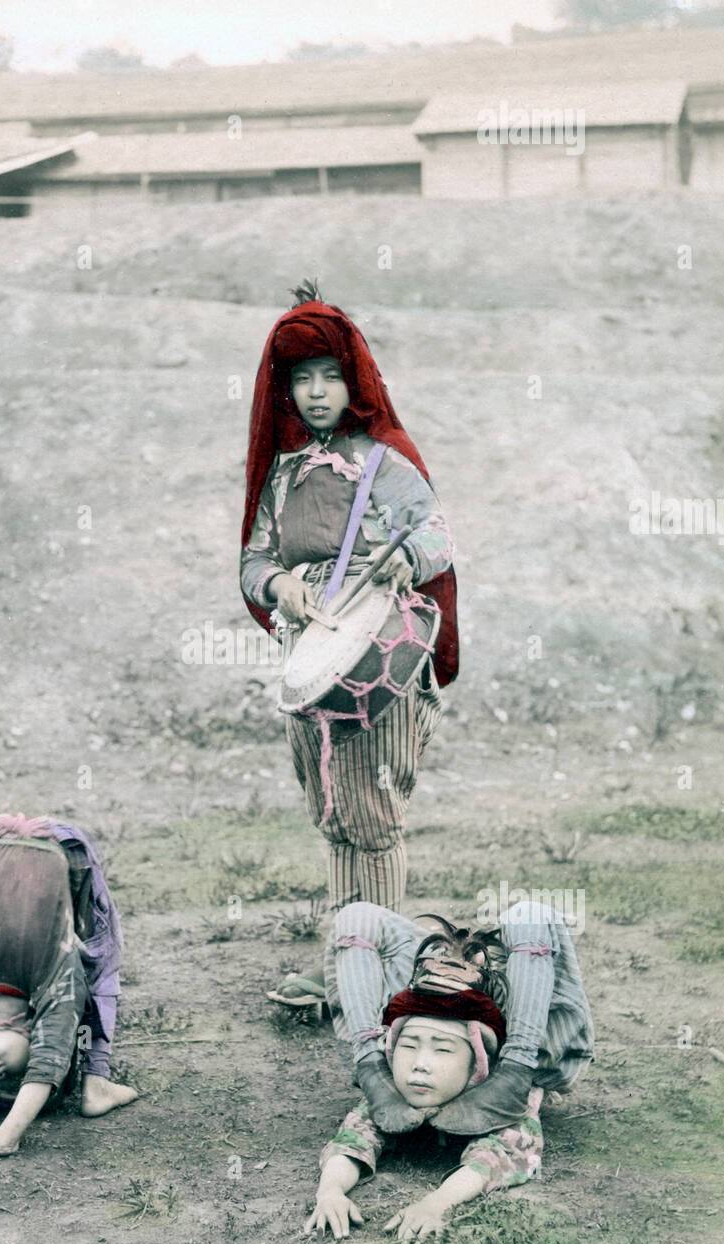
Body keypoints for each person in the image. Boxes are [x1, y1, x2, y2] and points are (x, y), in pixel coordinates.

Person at [240, 283, 459, 996]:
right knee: (333, 811)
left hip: (378, 662)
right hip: (311, 658)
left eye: (328, 375)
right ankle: (348, 959)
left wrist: (408, 557)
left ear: (353, 379)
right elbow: (255, 561)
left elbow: (436, 534)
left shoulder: (384, 461)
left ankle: (383, 970)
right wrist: (280, 588)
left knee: (372, 815)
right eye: (300, 379)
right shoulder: (283, 475)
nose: (315, 392)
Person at [304, 897, 594, 1242]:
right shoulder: (402, 1075)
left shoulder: (502, 1089)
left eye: (440, 1051)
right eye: (409, 1048)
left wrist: (436, 1204)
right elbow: (350, 1143)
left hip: (521, 1040)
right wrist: (330, 1192)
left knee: (528, 915)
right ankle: (369, 1062)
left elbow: (492, 1159)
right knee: (356, 917)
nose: (421, 1064)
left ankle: (517, 1064)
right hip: (427, 993)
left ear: (478, 1069)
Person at [0, 814, 136, 1159]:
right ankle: (96, 1081)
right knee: (97, 953)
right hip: (50, 850)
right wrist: (1, 1138)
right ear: (32, 1030)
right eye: (8, 1076)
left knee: (95, 957)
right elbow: (49, 1057)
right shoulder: (54, 968)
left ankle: (91, 1082)